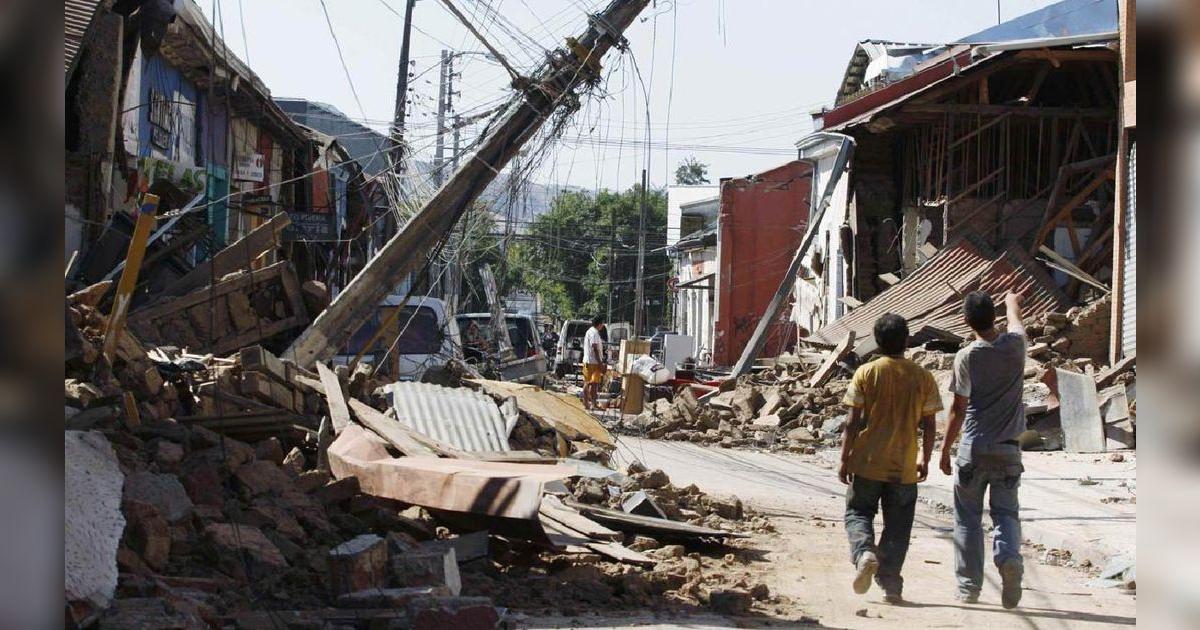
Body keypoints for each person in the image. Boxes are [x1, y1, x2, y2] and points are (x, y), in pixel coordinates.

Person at [839, 313, 941, 604]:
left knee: (858, 513)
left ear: (877, 342)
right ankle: (891, 583)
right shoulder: (923, 377)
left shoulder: (866, 373)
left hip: (867, 461)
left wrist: (844, 458)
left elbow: (851, 421)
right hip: (904, 467)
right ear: (906, 341)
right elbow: (930, 424)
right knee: (898, 526)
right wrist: (926, 458)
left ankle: (864, 554)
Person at [939, 290, 1027, 609]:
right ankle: (1008, 560)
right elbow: (1017, 319)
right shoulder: (1016, 346)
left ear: (966, 322)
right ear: (995, 317)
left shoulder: (966, 357)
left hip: (973, 449)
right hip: (1008, 450)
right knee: (1006, 514)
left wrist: (945, 449)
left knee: (967, 519)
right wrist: (1011, 303)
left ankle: (968, 588)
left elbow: (958, 409)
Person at [581, 315, 606, 409]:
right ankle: (586, 403)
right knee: (588, 382)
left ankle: (594, 404)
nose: (603, 326)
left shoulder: (594, 332)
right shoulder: (593, 333)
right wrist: (600, 363)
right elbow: (594, 348)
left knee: (594, 384)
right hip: (591, 362)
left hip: (595, 362)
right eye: (602, 323)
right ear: (599, 324)